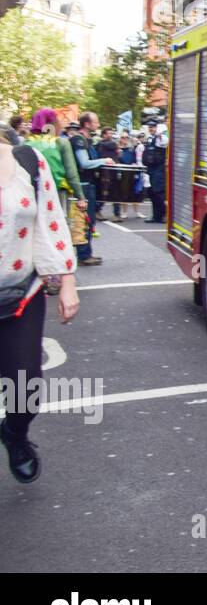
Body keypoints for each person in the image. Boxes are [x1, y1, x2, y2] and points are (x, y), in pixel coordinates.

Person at [0, 138, 80, 482]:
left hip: (20, 294)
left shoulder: (27, 161)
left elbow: (50, 221)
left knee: (25, 390)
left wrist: (67, 281)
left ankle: (15, 434)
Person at [27, 108, 91, 266]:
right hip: (56, 195)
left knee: (36, 233)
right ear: (52, 123)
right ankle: (57, 273)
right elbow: (71, 172)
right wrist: (81, 197)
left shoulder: (27, 143)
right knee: (57, 231)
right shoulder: (60, 142)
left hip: (31, 195)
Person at [67, 113, 114, 264]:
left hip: (88, 184)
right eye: (96, 122)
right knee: (84, 221)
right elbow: (84, 163)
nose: (98, 125)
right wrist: (104, 160)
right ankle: (83, 255)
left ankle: (86, 253)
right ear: (87, 124)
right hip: (82, 186)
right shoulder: (78, 140)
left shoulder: (87, 140)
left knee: (89, 220)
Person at [141, 118, 168, 223]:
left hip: (159, 170)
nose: (151, 129)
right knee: (152, 193)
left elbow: (164, 142)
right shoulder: (150, 139)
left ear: (157, 127)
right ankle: (155, 216)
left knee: (159, 193)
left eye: (152, 127)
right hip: (150, 170)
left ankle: (164, 215)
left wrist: (159, 133)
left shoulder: (161, 138)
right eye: (149, 127)